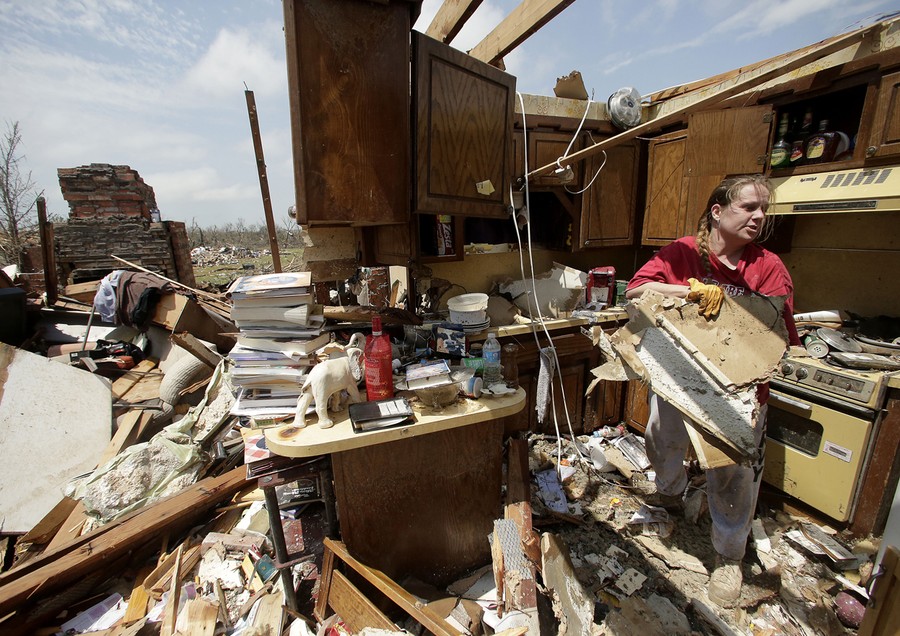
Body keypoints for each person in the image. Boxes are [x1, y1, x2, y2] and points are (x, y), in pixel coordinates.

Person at [624, 174, 801, 607]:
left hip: (737, 392)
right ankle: (670, 494)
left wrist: (728, 302)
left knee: (732, 477)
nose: (759, 217)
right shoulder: (683, 253)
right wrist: (690, 289)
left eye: (763, 209)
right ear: (718, 212)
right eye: (748, 208)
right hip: (679, 379)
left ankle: (728, 557)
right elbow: (635, 292)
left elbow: (780, 334)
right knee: (660, 441)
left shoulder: (768, 267)